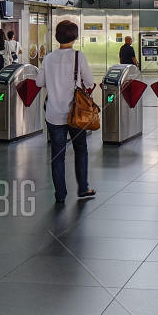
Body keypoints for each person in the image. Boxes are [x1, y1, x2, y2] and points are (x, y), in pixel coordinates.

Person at [40, 20, 95, 206]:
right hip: (76, 113)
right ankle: (82, 188)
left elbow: (40, 82)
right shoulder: (79, 57)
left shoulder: (48, 58)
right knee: (81, 149)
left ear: (57, 36)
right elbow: (89, 82)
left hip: (54, 114)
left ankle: (60, 194)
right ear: (75, 36)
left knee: (57, 155)